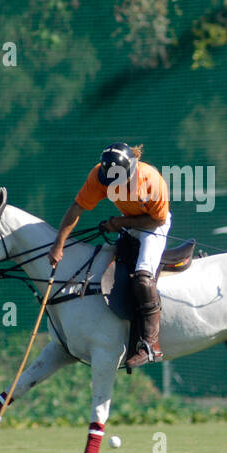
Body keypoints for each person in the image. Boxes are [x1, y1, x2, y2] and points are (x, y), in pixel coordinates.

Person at [50, 142, 171, 368]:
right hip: (127, 224)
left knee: (143, 277)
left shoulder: (151, 180)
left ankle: (150, 345)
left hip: (153, 226)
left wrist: (121, 223)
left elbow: (159, 219)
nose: (112, 184)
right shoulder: (100, 174)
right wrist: (59, 244)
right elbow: (77, 208)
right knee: (110, 274)